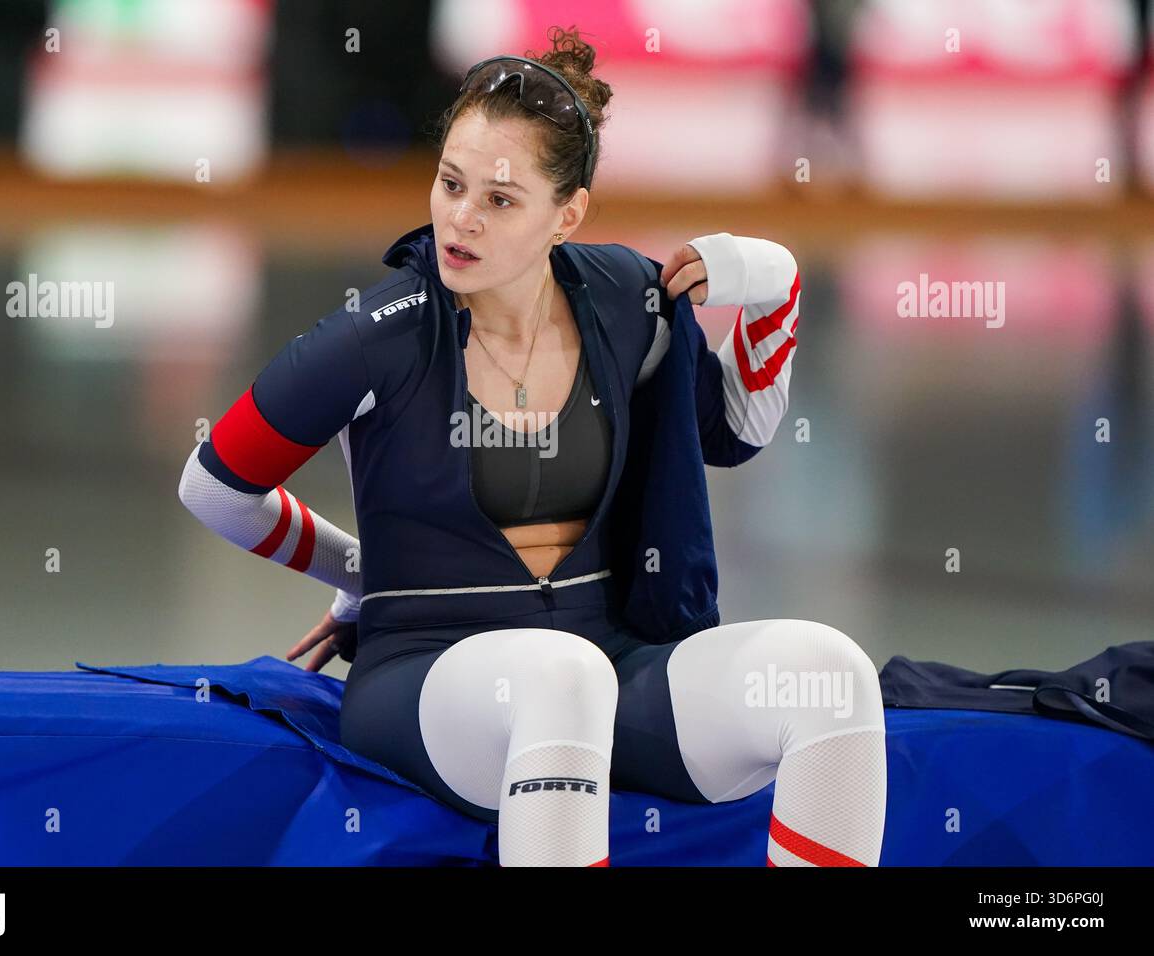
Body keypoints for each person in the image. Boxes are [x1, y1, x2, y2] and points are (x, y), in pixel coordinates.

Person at [178, 26, 886, 867]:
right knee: (558, 677)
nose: (461, 219)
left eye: (501, 199)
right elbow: (214, 483)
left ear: (567, 215)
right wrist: (361, 571)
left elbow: (733, 433)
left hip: (608, 664)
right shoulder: (379, 333)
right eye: (450, 183)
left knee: (831, 674)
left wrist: (775, 286)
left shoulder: (625, 297)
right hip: (427, 674)